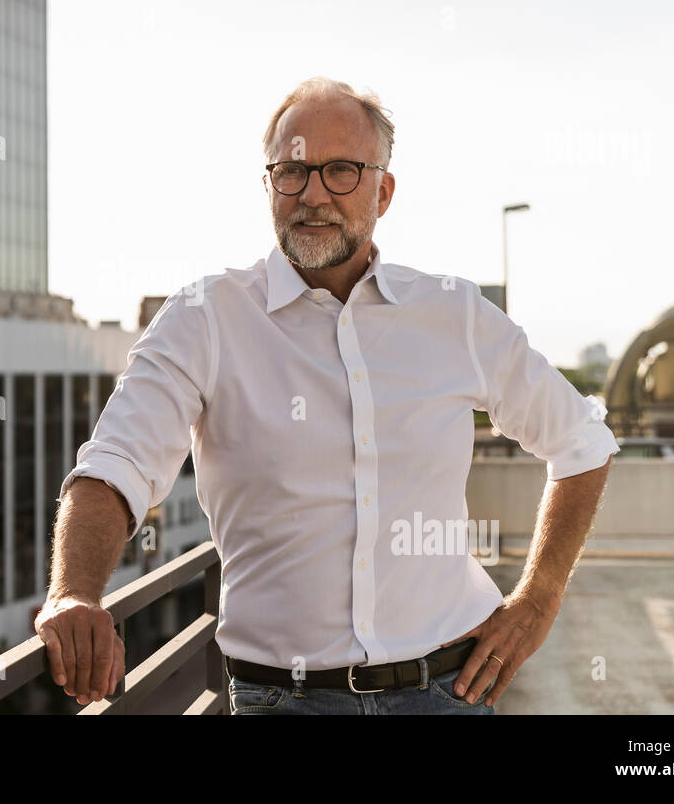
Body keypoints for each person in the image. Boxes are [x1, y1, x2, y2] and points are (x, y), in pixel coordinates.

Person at [34, 76, 617, 714]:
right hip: (284, 700)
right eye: (293, 171)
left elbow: (582, 441)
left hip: (449, 691)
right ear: (268, 186)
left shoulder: (453, 314)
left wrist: (538, 600)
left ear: (384, 191)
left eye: (341, 170)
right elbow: (114, 465)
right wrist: (74, 593)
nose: (313, 194)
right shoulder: (205, 318)